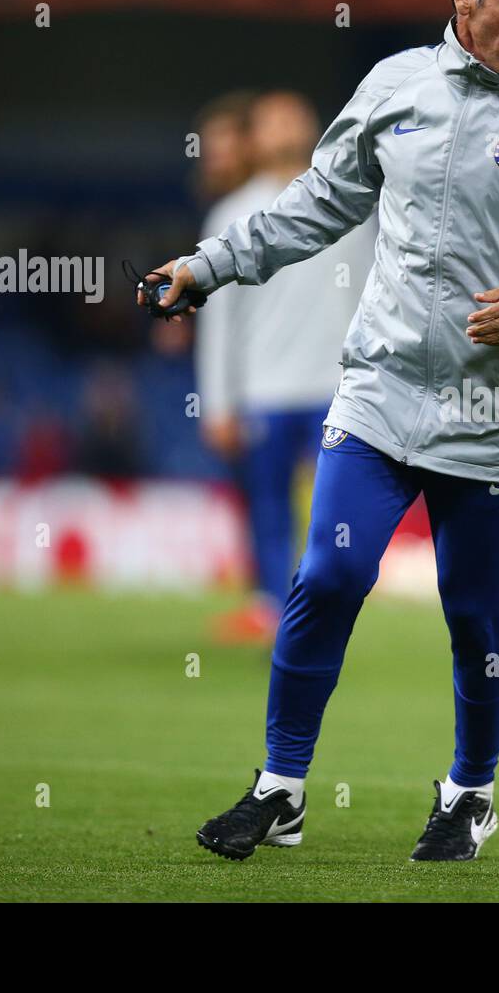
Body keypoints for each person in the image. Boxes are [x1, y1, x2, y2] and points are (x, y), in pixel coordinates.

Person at [140, 0, 499, 861]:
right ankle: (281, 789)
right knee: (327, 575)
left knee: (472, 606)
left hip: (494, 417)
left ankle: (470, 794)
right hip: (379, 395)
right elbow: (314, 204)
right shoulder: (395, 89)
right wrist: (207, 267)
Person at [195, 91, 373, 643]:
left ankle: (321, 606)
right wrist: (217, 401)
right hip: (263, 390)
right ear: (255, 137)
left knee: (334, 512)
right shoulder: (231, 212)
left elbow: (372, 299)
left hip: (333, 386)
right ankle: (276, 611)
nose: (285, 128)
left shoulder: (349, 206)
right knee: (268, 507)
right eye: (272, 121)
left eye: (294, 117)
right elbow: (217, 317)